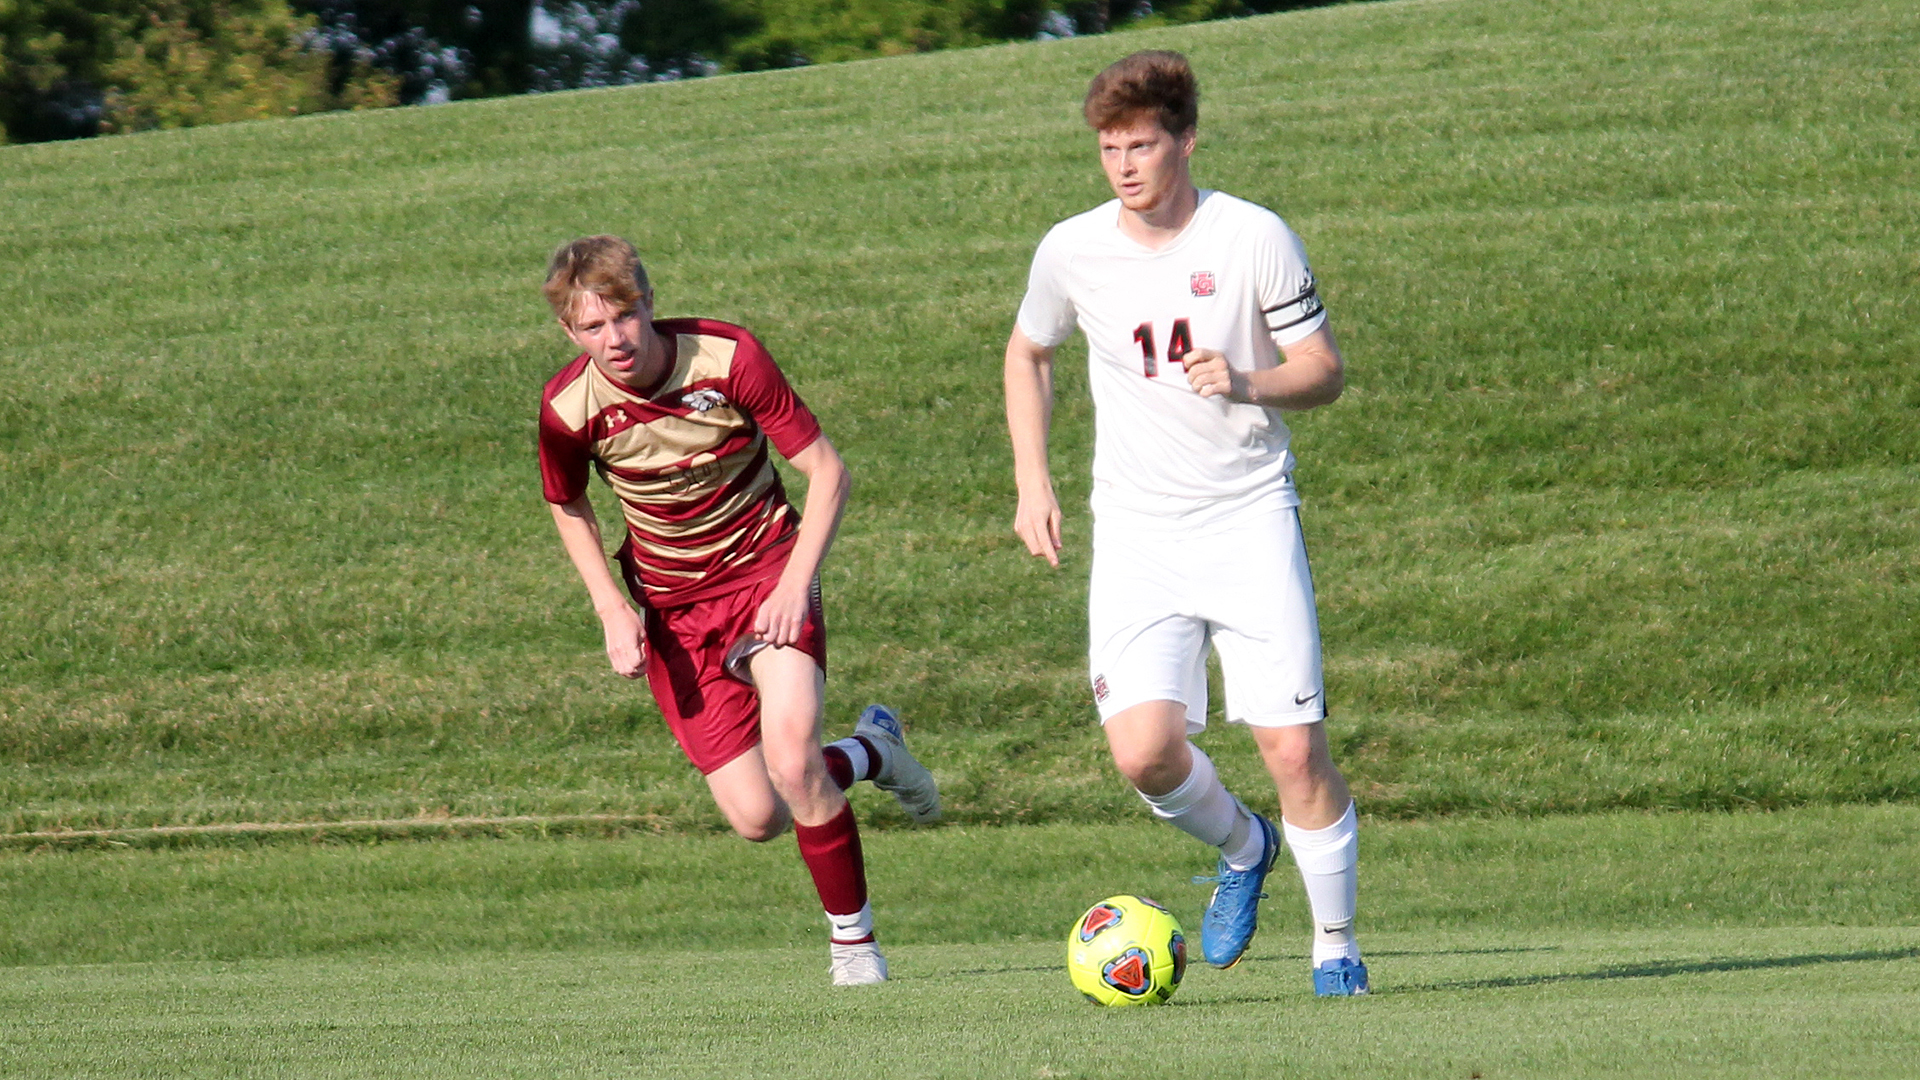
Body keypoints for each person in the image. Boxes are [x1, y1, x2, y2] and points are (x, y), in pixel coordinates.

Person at [1002, 52, 1367, 995]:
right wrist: (1031, 480)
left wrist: (1247, 380)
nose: (1124, 164)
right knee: (1144, 751)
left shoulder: (1252, 237)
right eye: (1109, 148)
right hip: (1136, 533)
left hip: (1248, 516)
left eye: (1143, 144)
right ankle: (1243, 849)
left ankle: (1336, 950)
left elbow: (1322, 368)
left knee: (1293, 747)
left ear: (1187, 140)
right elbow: (1028, 352)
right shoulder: (1071, 249)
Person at [536, 235, 940, 987]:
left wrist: (795, 581)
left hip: (765, 574)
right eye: (591, 328)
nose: (613, 339)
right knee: (759, 816)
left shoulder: (727, 359)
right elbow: (567, 504)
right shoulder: (568, 409)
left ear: (648, 304)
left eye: (622, 317)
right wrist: (610, 608)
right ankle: (873, 753)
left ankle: (854, 948)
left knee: (791, 758)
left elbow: (827, 472)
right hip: (676, 614)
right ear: (569, 333)